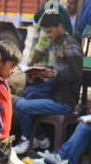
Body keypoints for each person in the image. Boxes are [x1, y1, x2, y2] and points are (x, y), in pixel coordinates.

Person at [12, 12, 82, 155]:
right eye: (46, 32)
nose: (48, 35)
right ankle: (40, 137)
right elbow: (60, 71)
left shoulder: (70, 46)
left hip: (64, 101)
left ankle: (28, 139)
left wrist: (52, 74)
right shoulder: (58, 44)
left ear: (60, 26)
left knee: (22, 105)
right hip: (54, 95)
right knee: (17, 100)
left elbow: (75, 75)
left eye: (50, 32)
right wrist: (40, 73)